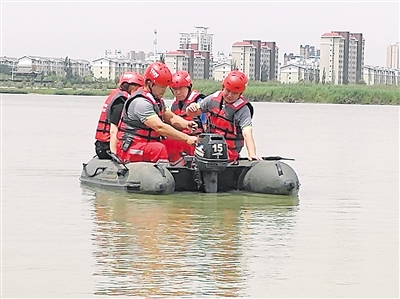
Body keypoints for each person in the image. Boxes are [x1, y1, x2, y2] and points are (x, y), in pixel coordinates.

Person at [116, 62, 198, 164]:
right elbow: (160, 127)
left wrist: (187, 124)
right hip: (130, 147)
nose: (164, 90)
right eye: (162, 86)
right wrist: (187, 138)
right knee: (158, 149)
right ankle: (165, 176)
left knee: (178, 143)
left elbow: (171, 117)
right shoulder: (140, 103)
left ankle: (184, 172)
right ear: (150, 84)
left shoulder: (158, 101)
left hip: (147, 143)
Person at [186, 70, 261, 162]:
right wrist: (190, 108)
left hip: (229, 151)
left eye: (234, 93)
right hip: (208, 146)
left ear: (240, 94)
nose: (229, 95)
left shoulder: (243, 110)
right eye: (227, 90)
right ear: (223, 88)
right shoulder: (212, 99)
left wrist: (252, 154)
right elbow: (192, 113)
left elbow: (247, 133)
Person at [94, 72, 144, 159]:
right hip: (106, 146)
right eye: (139, 87)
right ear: (132, 86)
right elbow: (113, 130)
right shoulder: (120, 102)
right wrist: (115, 155)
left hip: (103, 145)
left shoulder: (118, 96)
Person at [161, 70, 207, 165]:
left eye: (181, 88)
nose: (178, 92)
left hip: (196, 142)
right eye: (174, 89)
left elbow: (207, 127)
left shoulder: (200, 102)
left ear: (188, 87)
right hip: (181, 141)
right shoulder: (174, 106)